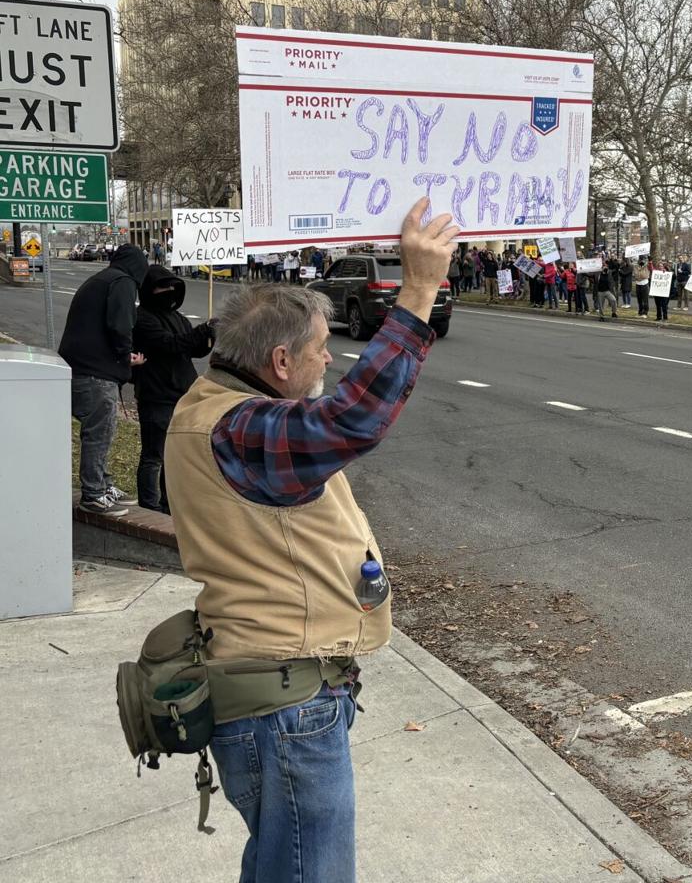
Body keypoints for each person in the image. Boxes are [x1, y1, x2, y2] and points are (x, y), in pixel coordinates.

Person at [165, 199, 458, 883]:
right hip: (282, 708)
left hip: (277, 699)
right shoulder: (238, 430)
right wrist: (417, 290)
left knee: (281, 864)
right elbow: (354, 417)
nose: (331, 357)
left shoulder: (213, 408)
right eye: (320, 348)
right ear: (278, 359)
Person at [58, 244, 149, 516]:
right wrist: (125, 356)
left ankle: (103, 484)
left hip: (81, 366)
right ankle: (94, 494)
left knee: (100, 430)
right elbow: (120, 325)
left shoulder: (101, 279)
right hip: (95, 372)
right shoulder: (123, 282)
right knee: (100, 431)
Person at [132, 266, 216, 513]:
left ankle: (170, 503)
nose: (169, 292)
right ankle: (148, 506)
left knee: (175, 455)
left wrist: (207, 338)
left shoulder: (177, 317)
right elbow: (168, 344)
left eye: (172, 287)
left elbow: (191, 348)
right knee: (154, 454)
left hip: (182, 394)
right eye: (163, 287)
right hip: (156, 395)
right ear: (150, 290)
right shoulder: (143, 318)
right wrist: (202, 331)